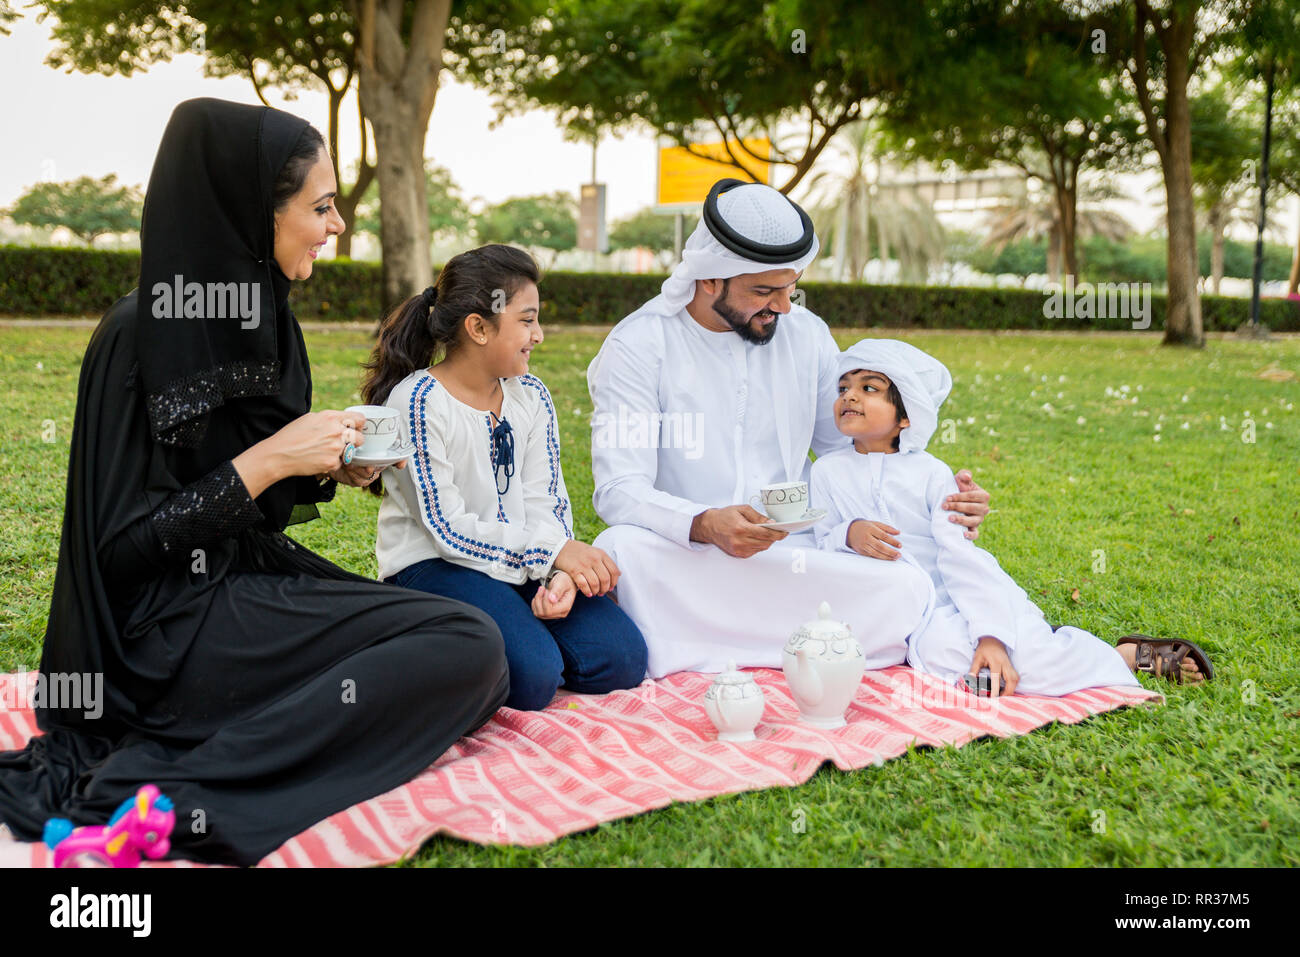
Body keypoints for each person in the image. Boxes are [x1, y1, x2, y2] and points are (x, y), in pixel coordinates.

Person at [0, 98, 509, 867]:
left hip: (242, 590)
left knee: (470, 645)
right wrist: (272, 458)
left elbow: (252, 511)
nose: (338, 224)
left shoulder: (268, 317)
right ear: (251, 211)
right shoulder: (135, 337)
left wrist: (328, 463)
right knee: (461, 643)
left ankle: (207, 753)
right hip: (156, 636)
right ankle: (161, 794)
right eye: (322, 205)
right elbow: (120, 555)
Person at [587, 178, 992, 678]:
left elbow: (848, 444)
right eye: (764, 291)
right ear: (710, 278)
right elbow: (618, 491)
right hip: (685, 556)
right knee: (620, 549)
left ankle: (709, 642)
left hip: (795, 555)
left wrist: (939, 497)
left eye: (790, 288)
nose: (782, 306)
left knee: (905, 586)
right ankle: (811, 641)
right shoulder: (638, 346)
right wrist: (705, 523)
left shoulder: (806, 335)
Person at [810, 337, 1214, 696]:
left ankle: (1123, 654)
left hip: (953, 596)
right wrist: (849, 533)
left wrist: (990, 635)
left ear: (906, 415)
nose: (850, 396)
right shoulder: (826, 471)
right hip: (900, 610)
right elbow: (819, 540)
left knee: (1031, 659)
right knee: (937, 650)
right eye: (843, 388)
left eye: (869, 389)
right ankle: (1000, 668)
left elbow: (959, 556)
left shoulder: (931, 474)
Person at [362, 244, 648, 711]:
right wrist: (550, 553)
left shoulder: (529, 395)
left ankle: (516, 629)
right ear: (478, 326)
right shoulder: (417, 402)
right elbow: (446, 529)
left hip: (520, 559)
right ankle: (414, 635)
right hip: (436, 565)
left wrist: (558, 573)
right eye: (527, 320)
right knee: (533, 678)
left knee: (621, 659)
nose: (539, 335)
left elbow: (546, 499)